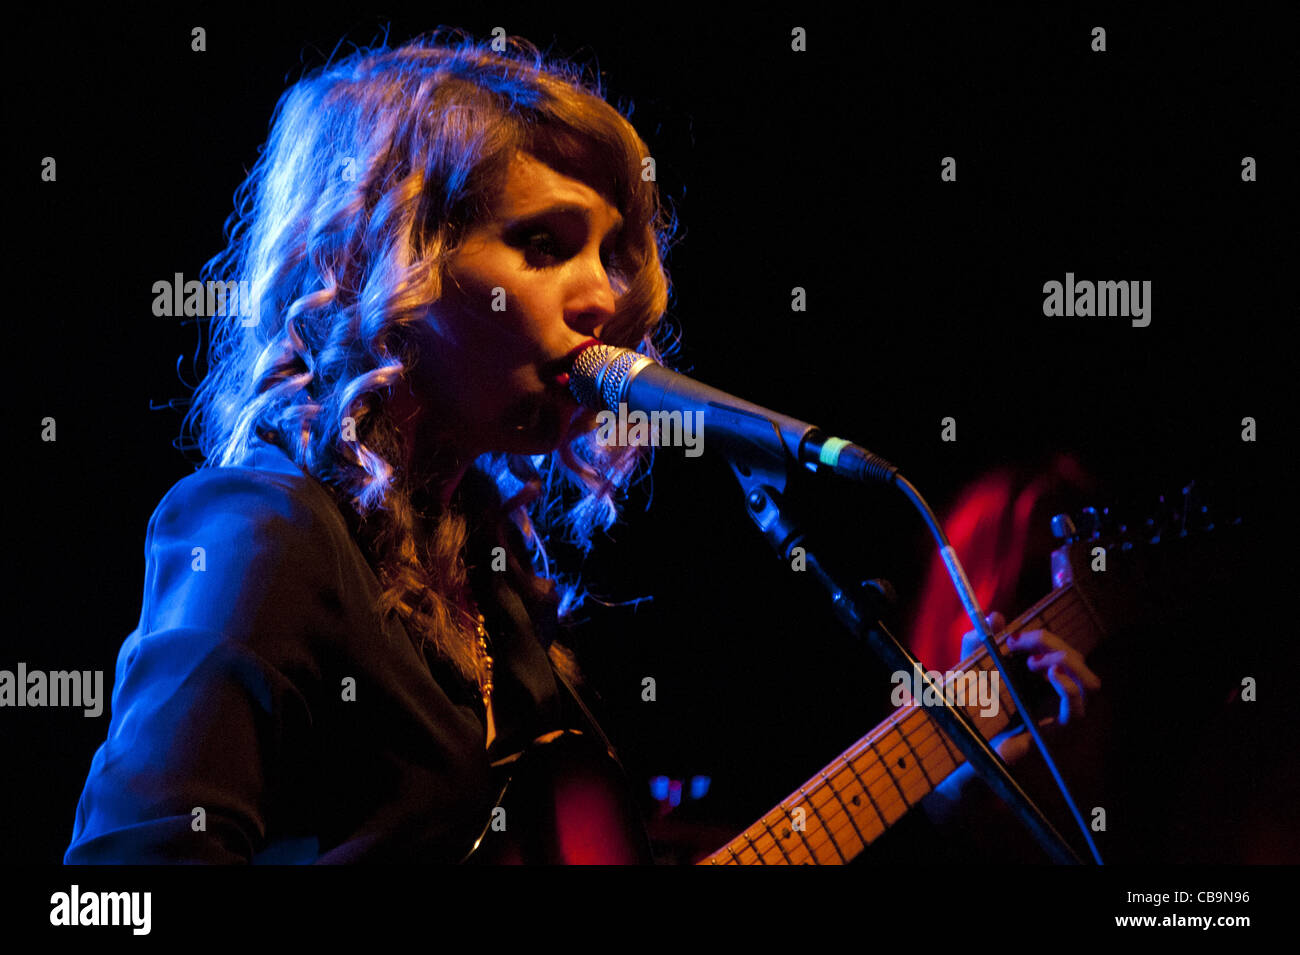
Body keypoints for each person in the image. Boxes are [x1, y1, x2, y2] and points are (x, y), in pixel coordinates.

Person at [64, 29, 1098, 864]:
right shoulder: (265, 529)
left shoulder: (495, 579)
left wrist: (954, 786)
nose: (606, 294)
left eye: (614, 254)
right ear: (389, 263)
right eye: (544, 246)